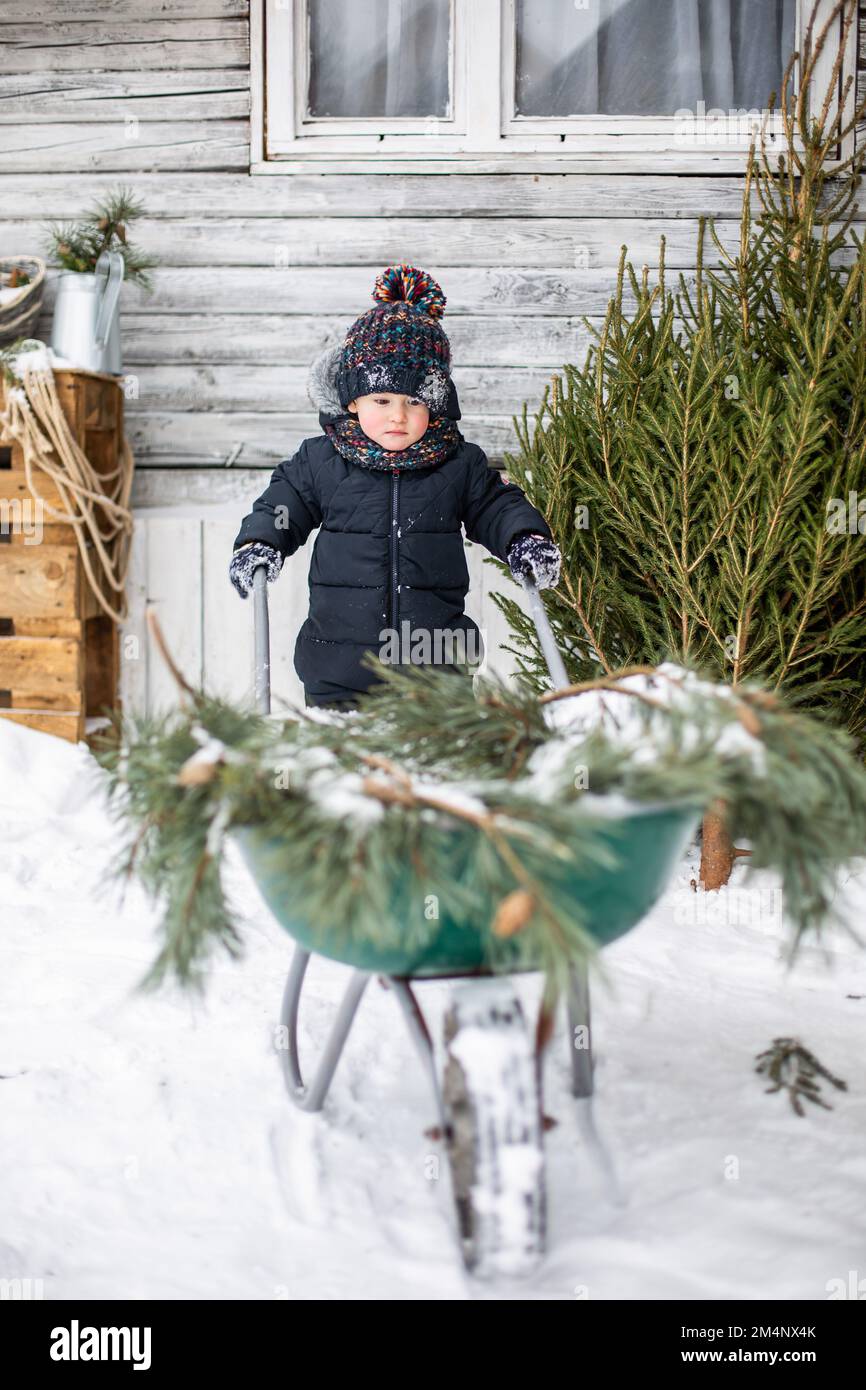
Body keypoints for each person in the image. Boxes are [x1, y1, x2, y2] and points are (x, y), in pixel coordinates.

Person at [229, 263, 561, 710]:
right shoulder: (321, 460)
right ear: (352, 401)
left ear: (438, 403)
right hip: (338, 672)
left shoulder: (459, 464)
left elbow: (497, 506)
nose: (397, 416)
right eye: (382, 400)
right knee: (344, 776)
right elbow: (281, 504)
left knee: (435, 773)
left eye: (414, 401)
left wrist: (524, 538)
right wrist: (260, 543)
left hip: (437, 668)